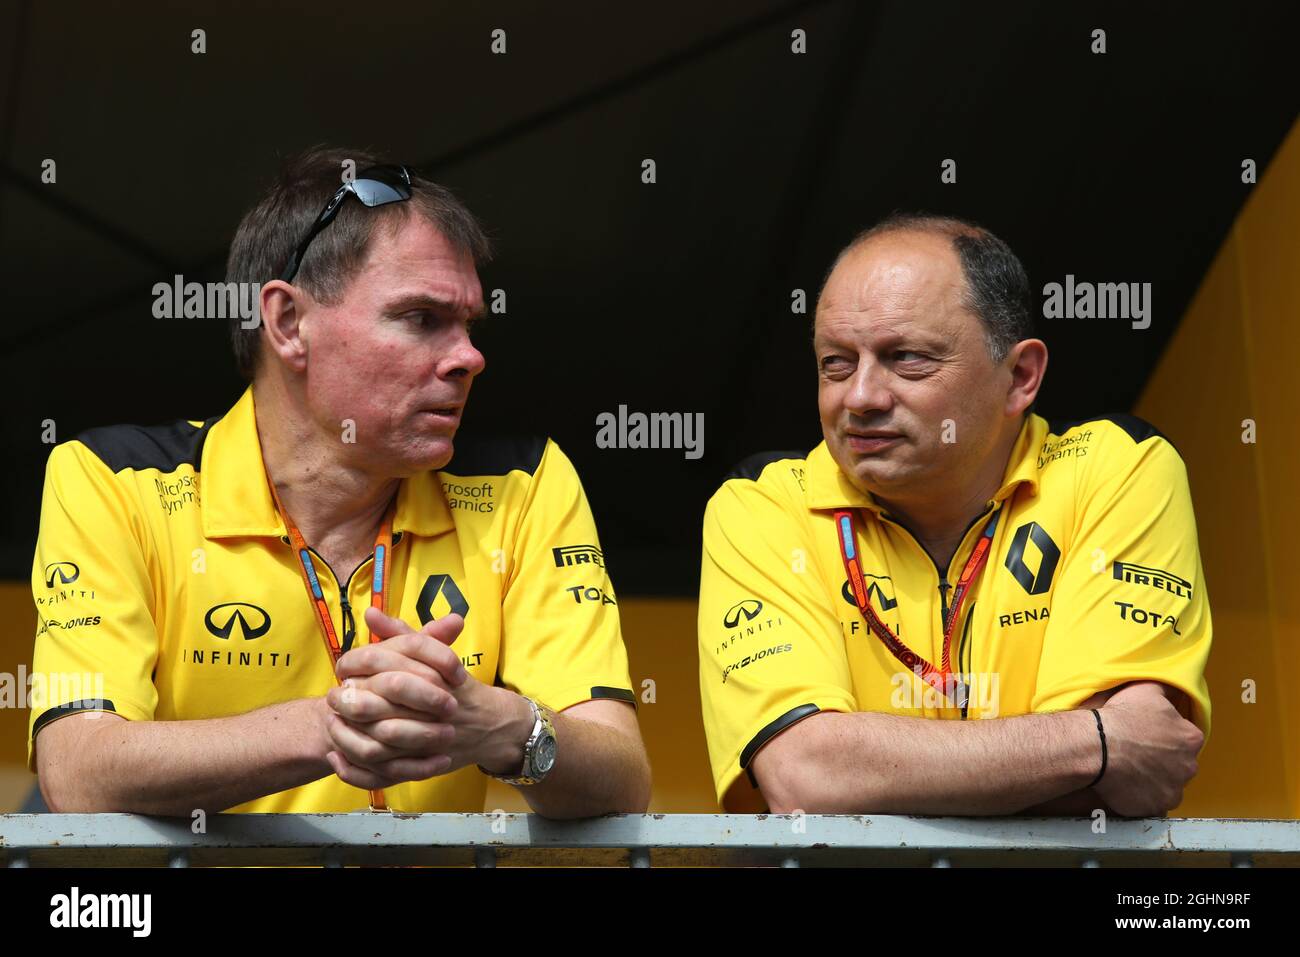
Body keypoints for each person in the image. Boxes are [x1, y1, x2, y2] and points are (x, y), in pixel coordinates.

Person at [29, 146, 650, 817]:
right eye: (422, 318)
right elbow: (78, 770)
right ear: (288, 323)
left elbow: (623, 779)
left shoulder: (522, 484)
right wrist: (333, 725)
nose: (470, 357)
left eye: (469, 324)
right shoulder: (114, 480)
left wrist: (505, 728)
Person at [698, 214, 1209, 816]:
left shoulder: (1118, 465)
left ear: (1020, 377)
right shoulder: (762, 502)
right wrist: (1093, 744)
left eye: (907, 358)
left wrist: (871, 771)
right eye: (836, 362)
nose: (860, 397)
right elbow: (804, 776)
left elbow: (1134, 777)